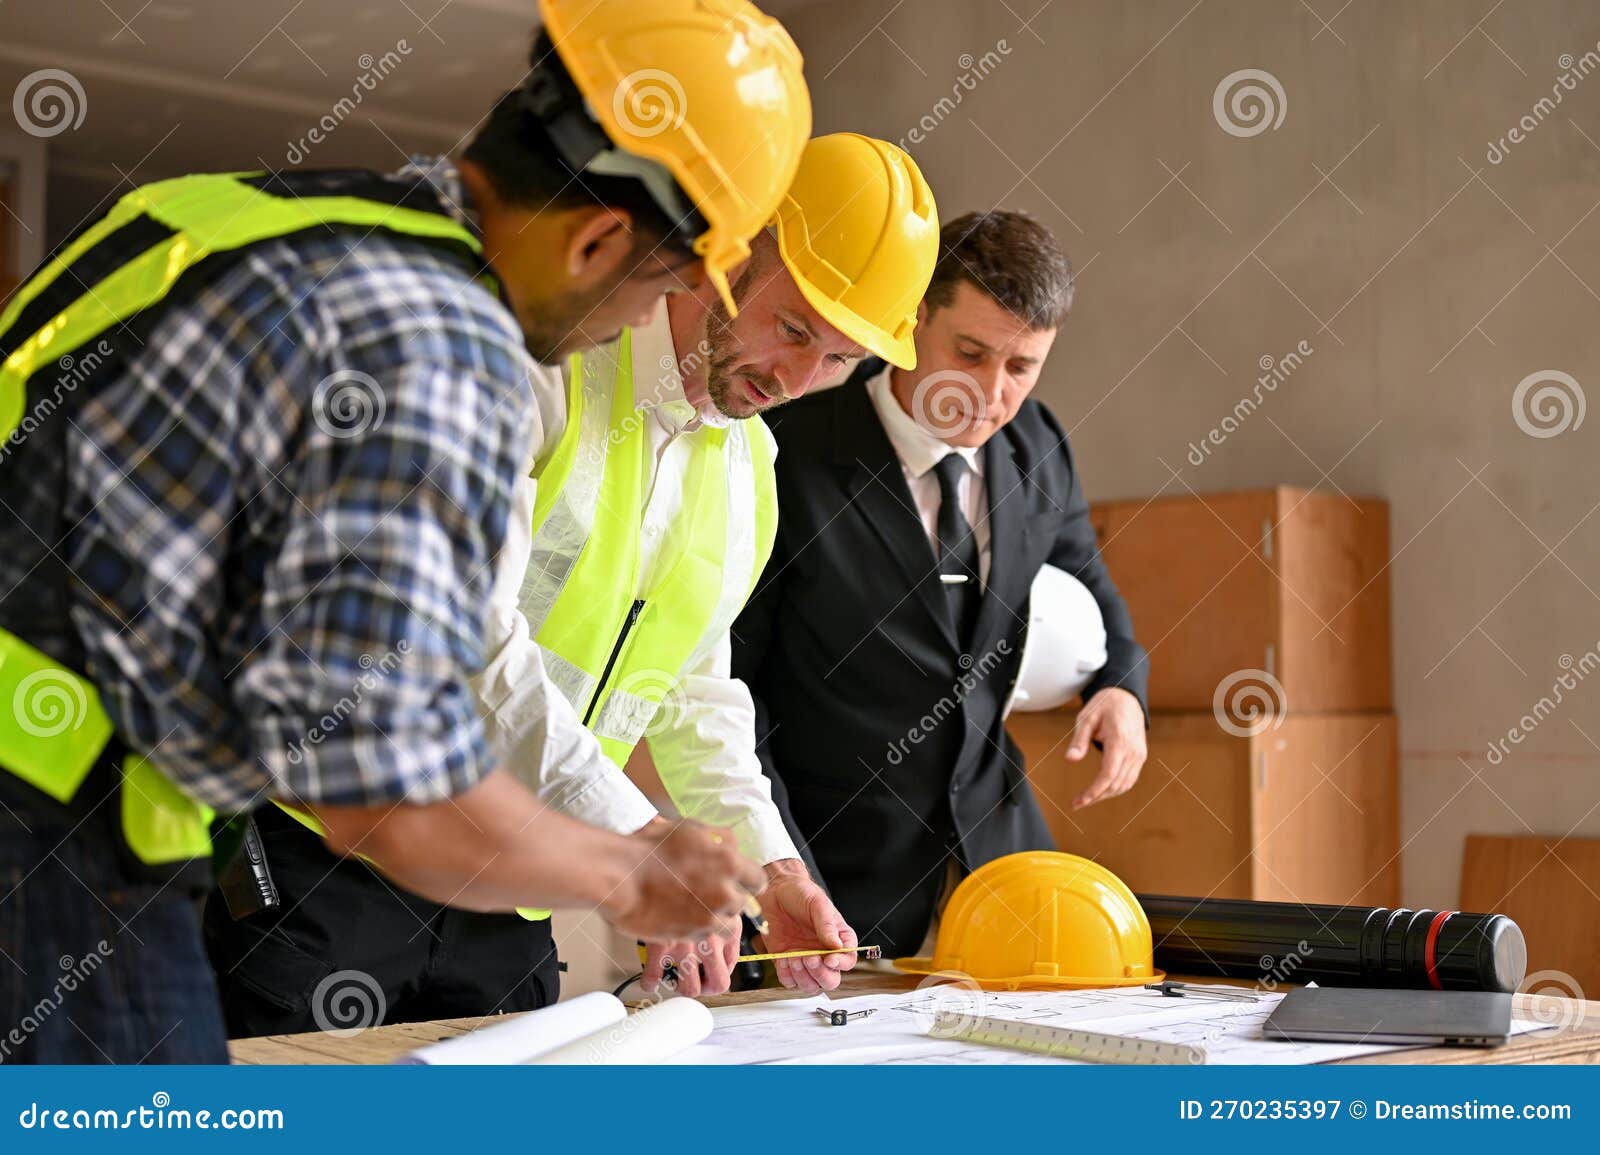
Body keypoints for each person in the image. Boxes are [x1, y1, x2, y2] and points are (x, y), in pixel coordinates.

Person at [0, 0, 810, 1064]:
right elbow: (389, 801)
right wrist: (638, 872)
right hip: (59, 852)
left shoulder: (209, 210)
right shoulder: (436, 349)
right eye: (665, 288)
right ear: (603, 236)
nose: (631, 328)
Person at [207, 135, 942, 1025]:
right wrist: (640, 845)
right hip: (339, 859)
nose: (796, 378)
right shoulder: (542, 367)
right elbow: (474, 650)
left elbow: (692, 692)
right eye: (791, 328)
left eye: (839, 359)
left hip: (512, 896)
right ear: (727, 259)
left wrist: (767, 866)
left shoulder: (752, 467)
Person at [732, 210, 1151, 958]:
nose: (991, 393)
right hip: (832, 879)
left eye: (1021, 367)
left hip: (1003, 868)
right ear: (913, 319)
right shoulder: (785, 451)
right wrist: (780, 871)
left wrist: (1119, 686)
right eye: (971, 352)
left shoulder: (1037, 443)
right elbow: (735, 692)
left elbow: (1089, 576)